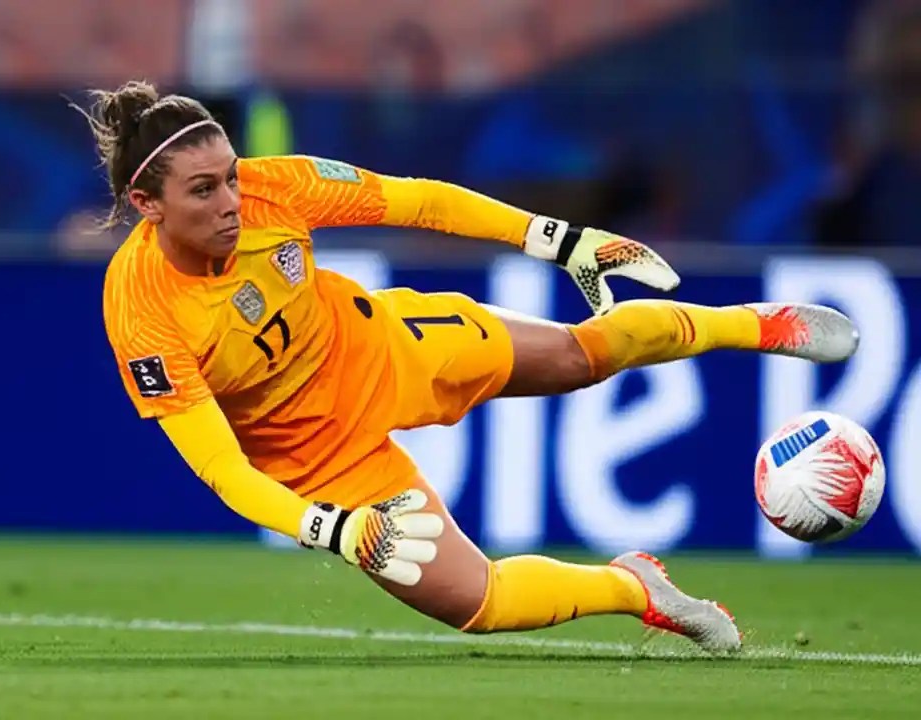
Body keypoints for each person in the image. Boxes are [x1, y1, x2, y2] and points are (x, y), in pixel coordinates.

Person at [83, 81, 858, 654]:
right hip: (320, 465)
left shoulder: (270, 189)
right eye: (204, 189)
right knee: (477, 602)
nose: (233, 200)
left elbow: (417, 202)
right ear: (149, 206)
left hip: (384, 346)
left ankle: (760, 325)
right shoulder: (142, 310)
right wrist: (336, 529)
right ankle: (636, 589)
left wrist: (554, 240)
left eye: (231, 174)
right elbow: (221, 467)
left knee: (576, 355)